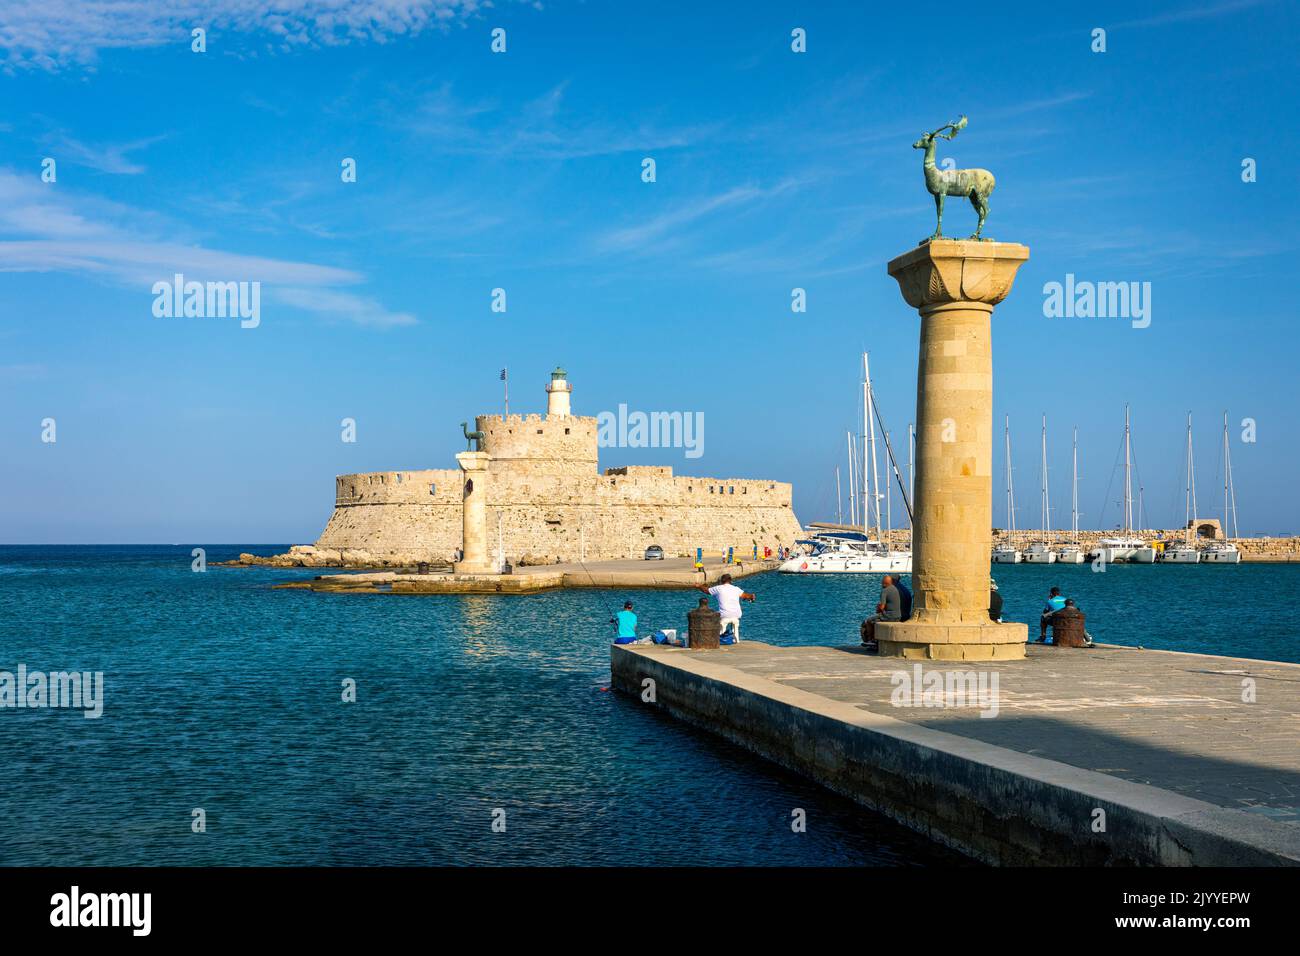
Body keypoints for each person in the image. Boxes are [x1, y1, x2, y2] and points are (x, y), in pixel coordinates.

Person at [695, 573, 755, 641]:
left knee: (711, 616)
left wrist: (699, 586)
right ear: (730, 581)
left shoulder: (718, 588)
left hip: (724, 614)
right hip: (737, 614)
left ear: (721, 581)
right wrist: (751, 596)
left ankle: (717, 636)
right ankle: (735, 638)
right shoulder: (736, 589)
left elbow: (706, 590)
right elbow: (746, 596)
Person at [860, 574, 903, 649]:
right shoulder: (895, 589)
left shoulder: (884, 591)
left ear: (884, 583)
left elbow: (882, 607)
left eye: (882, 582)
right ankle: (875, 640)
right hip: (898, 616)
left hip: (889, 616)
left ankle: (871, 640)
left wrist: (878, 608)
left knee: (868, 621)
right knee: (875, 620)